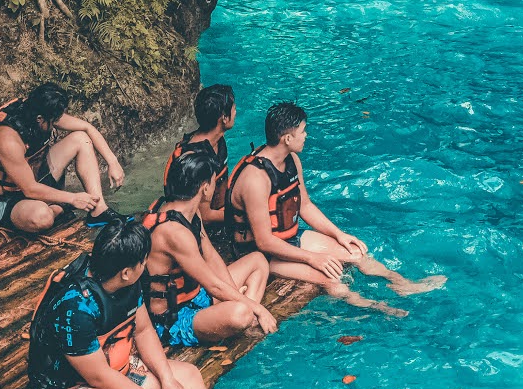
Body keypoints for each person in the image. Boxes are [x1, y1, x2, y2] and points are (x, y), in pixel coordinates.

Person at [27, 216, 277, 389]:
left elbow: (144, 331)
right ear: (126, 272)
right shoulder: (75, 307)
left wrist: (167, 380)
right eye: (143, 262)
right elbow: (98, 377)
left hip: (118, 368)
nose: (146, 265)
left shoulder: (127, 281)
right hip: (71, 387)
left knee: (187, 377)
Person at [227, 101, 446, 314]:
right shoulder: (256, 179)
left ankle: (402, 284)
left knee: (355, 253)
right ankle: (378, 307)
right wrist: (312, 257)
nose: (306, 135)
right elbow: (264, 242)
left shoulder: (291, 159)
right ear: (287, 138)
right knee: (329, 278)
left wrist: (339, 235)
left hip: (289, 238)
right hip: (262, 253)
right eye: (303, 131)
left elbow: (305, 205)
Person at [144, 145, 278, 350]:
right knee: (240, 313)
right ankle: (244, 320)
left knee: (258, 261)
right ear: (205, 188)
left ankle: (242, 317)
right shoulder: (174, 232)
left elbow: (211, 256)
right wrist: (256, 308)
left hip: (197, 297)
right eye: (215, 181)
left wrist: (235, 295)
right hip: (174, 319)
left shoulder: (190, 212)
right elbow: (213, 285)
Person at [0, 84, 123, 234]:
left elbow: (87, 128)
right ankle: (58, 207)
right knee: (42, 217)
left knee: (81, 139)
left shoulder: (39, 111)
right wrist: (72, 198)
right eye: (54, 121)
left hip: (34, 177)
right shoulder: (8, 140)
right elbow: (30, 189)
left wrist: (113, 162)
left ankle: (99, 211)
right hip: (7, 199)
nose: (56, 123)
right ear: (40, 119)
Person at [162, 84, 237, 238]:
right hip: (201, 230)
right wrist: (242, 216)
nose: (236, 112)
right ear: (224, 118)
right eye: (234, 108)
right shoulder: (196, 159)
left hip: (219, 212)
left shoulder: (217, 139)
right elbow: (205, 216)